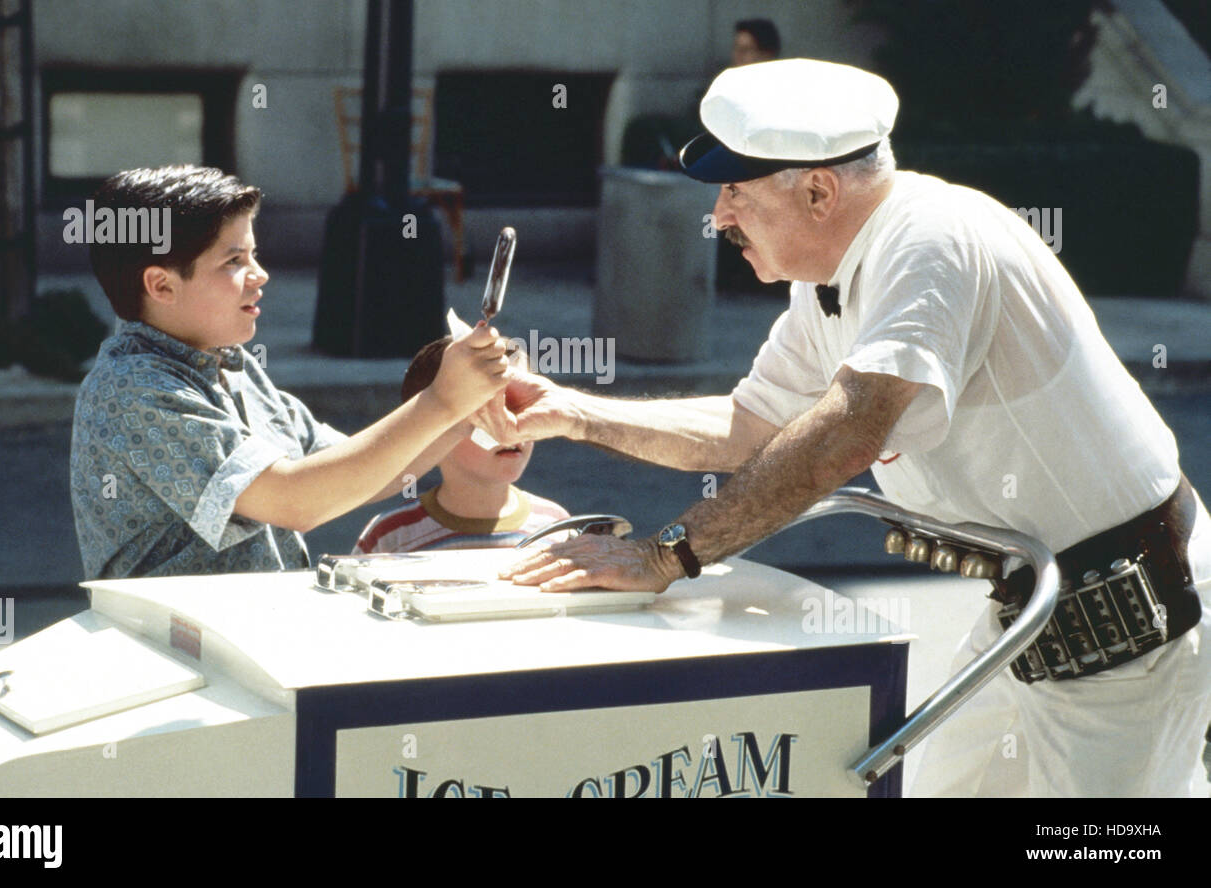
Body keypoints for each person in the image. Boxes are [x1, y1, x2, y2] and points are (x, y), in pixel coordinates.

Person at [490, 58, 1211, 797]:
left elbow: (846, 434)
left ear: (818, 190)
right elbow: (751, 427)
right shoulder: (828, 277)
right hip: (1041, 611)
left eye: (735, 192)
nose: (718, 217)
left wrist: (667, 556)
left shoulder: (931, 240)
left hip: (1128, 625)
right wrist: (573, 412)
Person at [70, 165, 512, 580]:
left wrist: (466, 412)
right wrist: (441, 401)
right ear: (162, 285)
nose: (259, 275)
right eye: (233, 261)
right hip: (173, 652)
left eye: (253, 255)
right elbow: (296, 500)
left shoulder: (232, 368)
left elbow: (361, 472)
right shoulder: (131, 388)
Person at [352, 336, 571, 554]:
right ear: (424, 434)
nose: (509, 425)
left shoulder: (557, 527)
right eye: (483, 409)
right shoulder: (390, 537)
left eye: (522, 406)